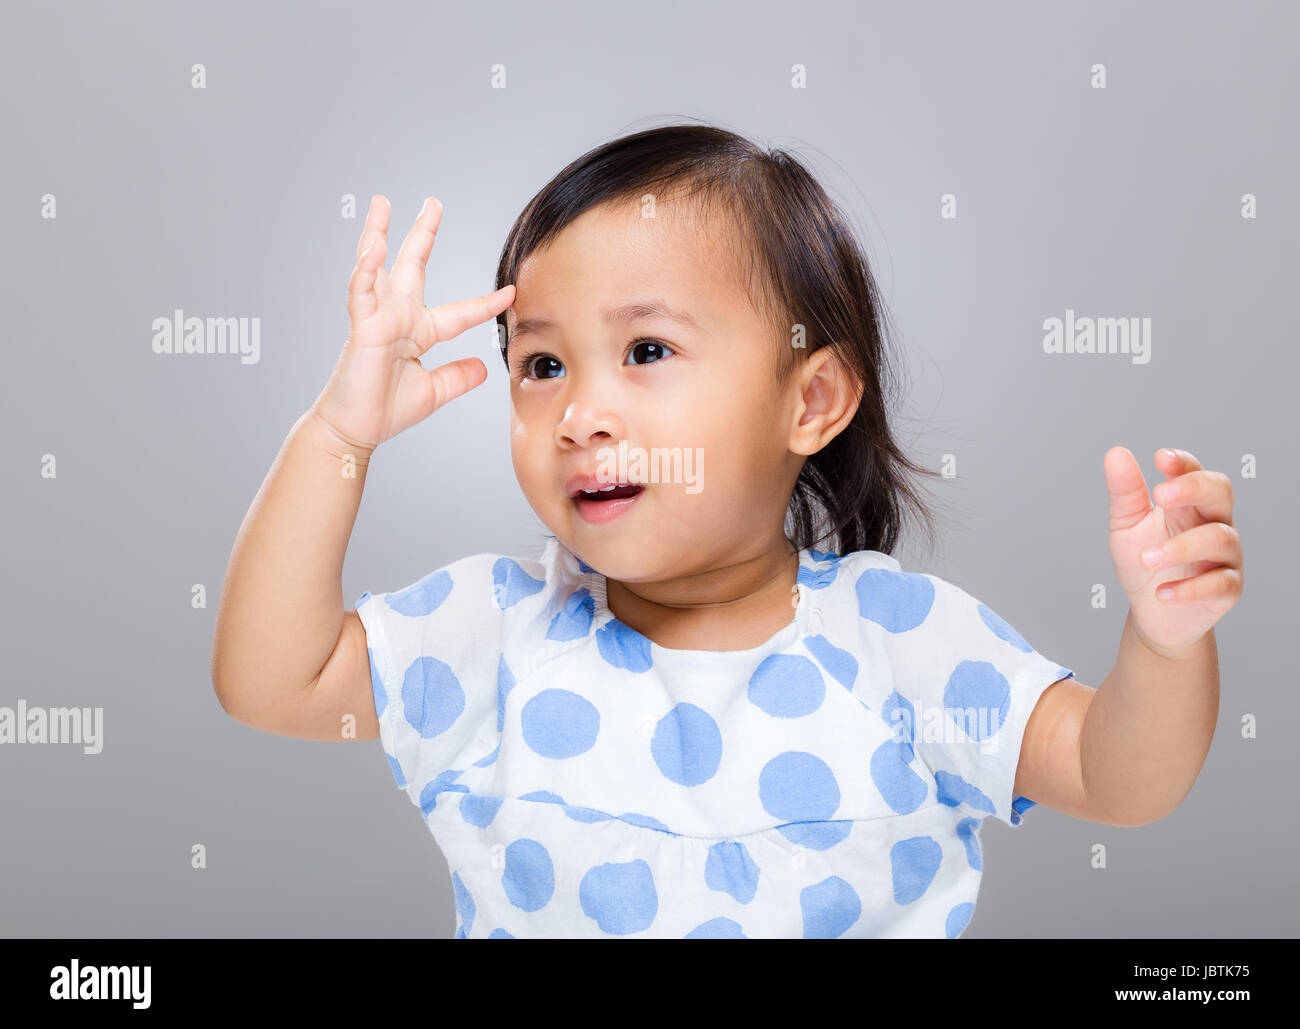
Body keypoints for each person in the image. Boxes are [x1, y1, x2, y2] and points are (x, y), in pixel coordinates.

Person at [210, 124, 1241, 938]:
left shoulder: (902, 645)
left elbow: (1120, 778)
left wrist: (1163, 641)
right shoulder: (495, 635)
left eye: (647, 348)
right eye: (542, 366)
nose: (581, 415)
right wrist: (338, 433)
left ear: (811, 400)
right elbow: (271, 681)